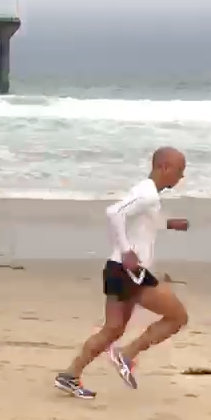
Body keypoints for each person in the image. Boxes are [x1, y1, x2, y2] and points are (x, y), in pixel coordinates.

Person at [55, 147, 190, 399]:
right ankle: (126, 355)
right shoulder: (147, 193)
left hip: (117, 269)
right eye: (179, 170)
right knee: (177, 317)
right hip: (131, 272)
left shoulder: (147, 194)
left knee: (112, 329)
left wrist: (171, 224)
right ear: (164, 167)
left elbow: (141, 220)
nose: (181, 177)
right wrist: (127, 251)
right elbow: (114, 212)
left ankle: (70, 375)